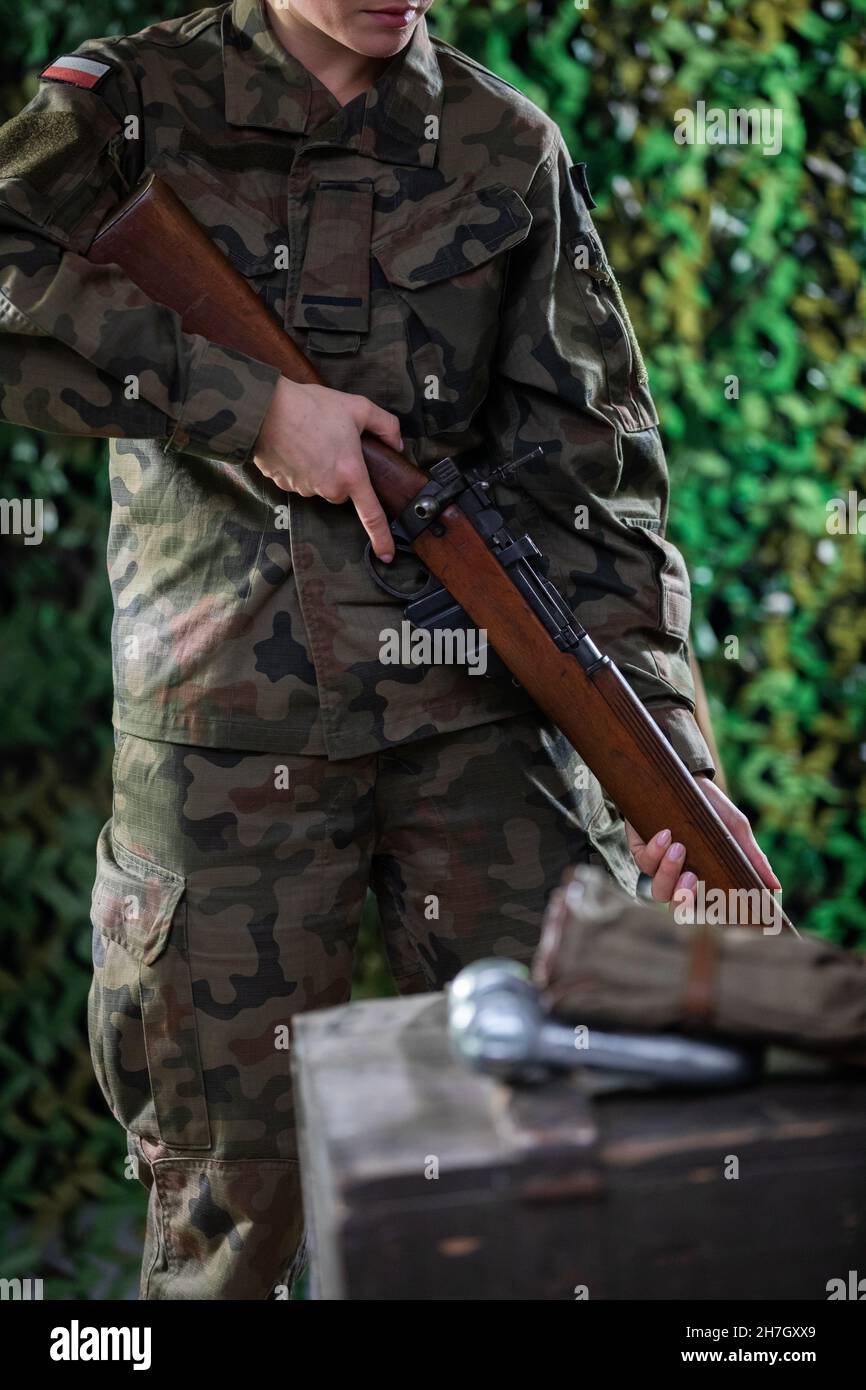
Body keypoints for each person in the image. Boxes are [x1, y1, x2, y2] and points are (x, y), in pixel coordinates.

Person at [0, 0, 779, 1298]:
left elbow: (601, 503)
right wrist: (249, 410)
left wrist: (670, 773)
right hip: (226, 743)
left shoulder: (502, 143)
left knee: (555, 1165)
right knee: (231, 1211)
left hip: (476, 729)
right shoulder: (129, 105)